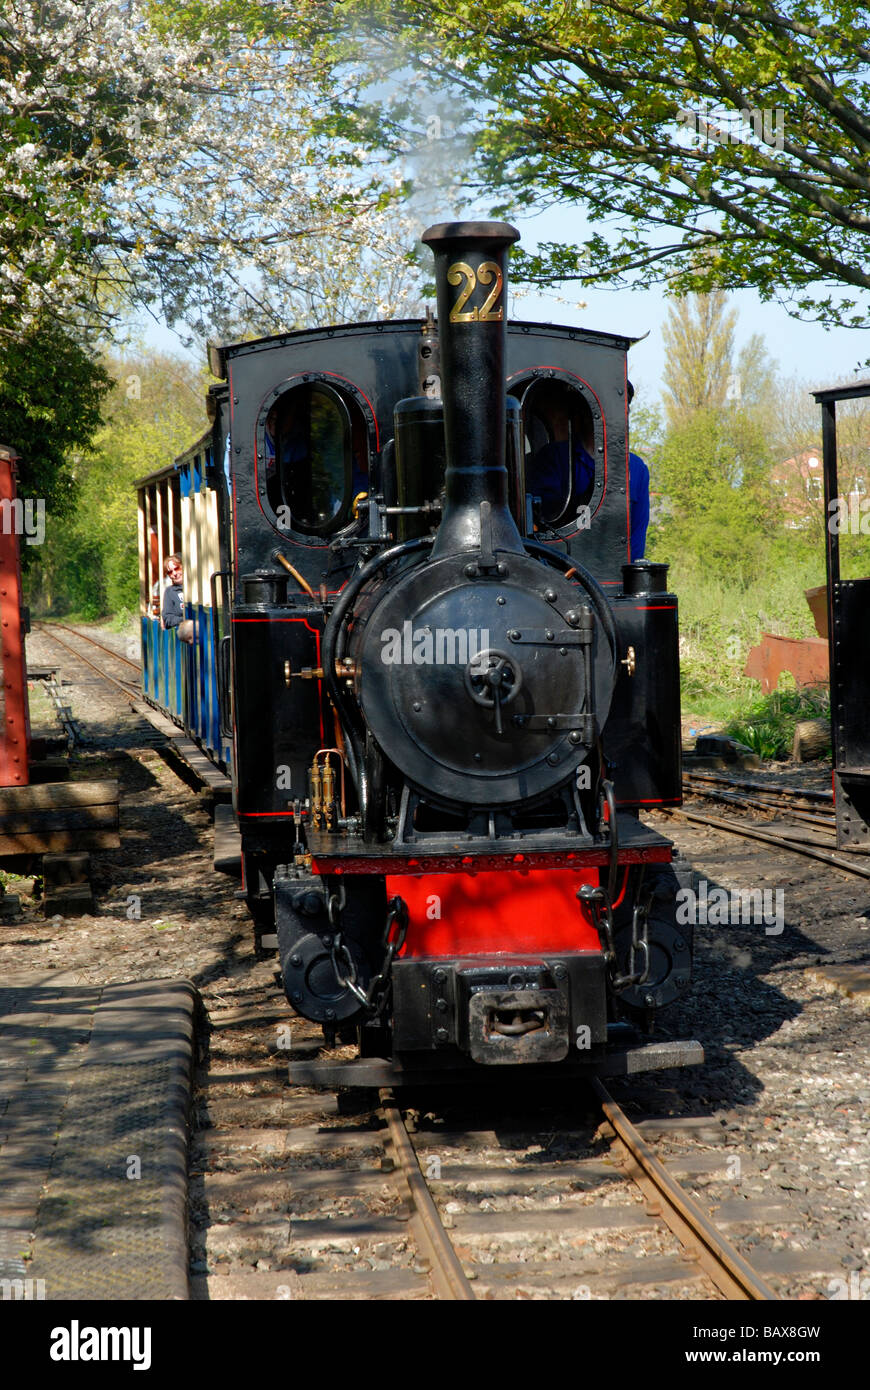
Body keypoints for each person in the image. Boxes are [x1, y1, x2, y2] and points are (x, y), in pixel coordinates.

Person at [526, 379, 649, 560]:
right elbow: (542, 520)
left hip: (612, 575)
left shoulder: (637, 469)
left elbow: (637, 536)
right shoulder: (554, 458)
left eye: (623, 411)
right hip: (562, 566)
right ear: (586, 412)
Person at [161, 555, 194, 644]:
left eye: (177, 568)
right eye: (170, 572)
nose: (174, 574)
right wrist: (185, 621)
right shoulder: (170, 592)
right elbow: (168, 618)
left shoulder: (196, 587)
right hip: (182, 641)